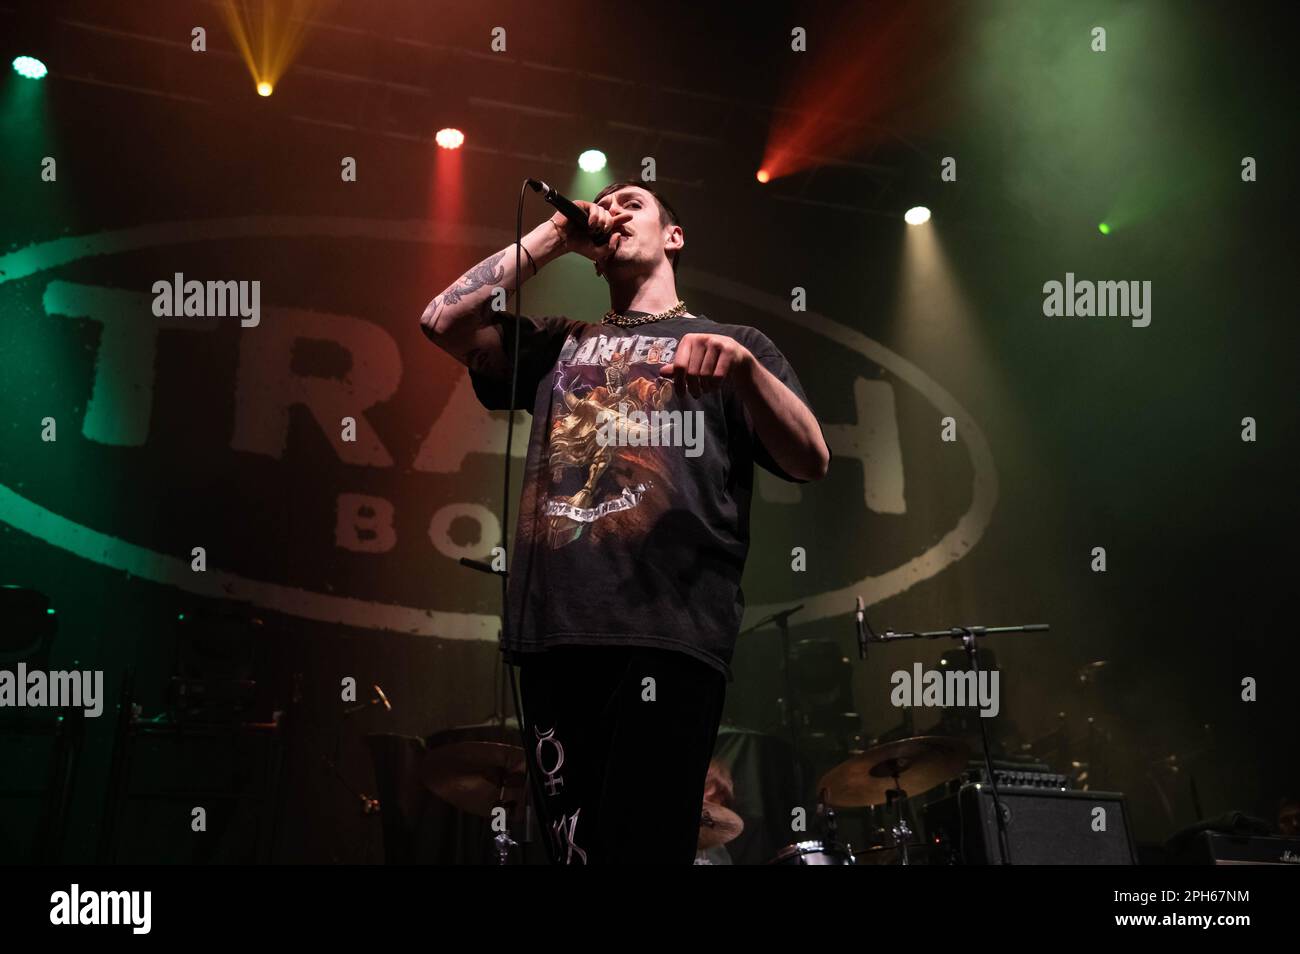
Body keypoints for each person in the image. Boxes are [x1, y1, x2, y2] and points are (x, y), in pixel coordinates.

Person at [419, 180, 831, 863]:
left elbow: (811, 457)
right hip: (553, 635)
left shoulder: (735, 342)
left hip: (668, 634)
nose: (613, 211)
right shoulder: (557, 347)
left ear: (674, 236)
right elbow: (442, 321)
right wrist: (558, 235)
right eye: (604, 204)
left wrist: (746, 371)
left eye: (632, 203)